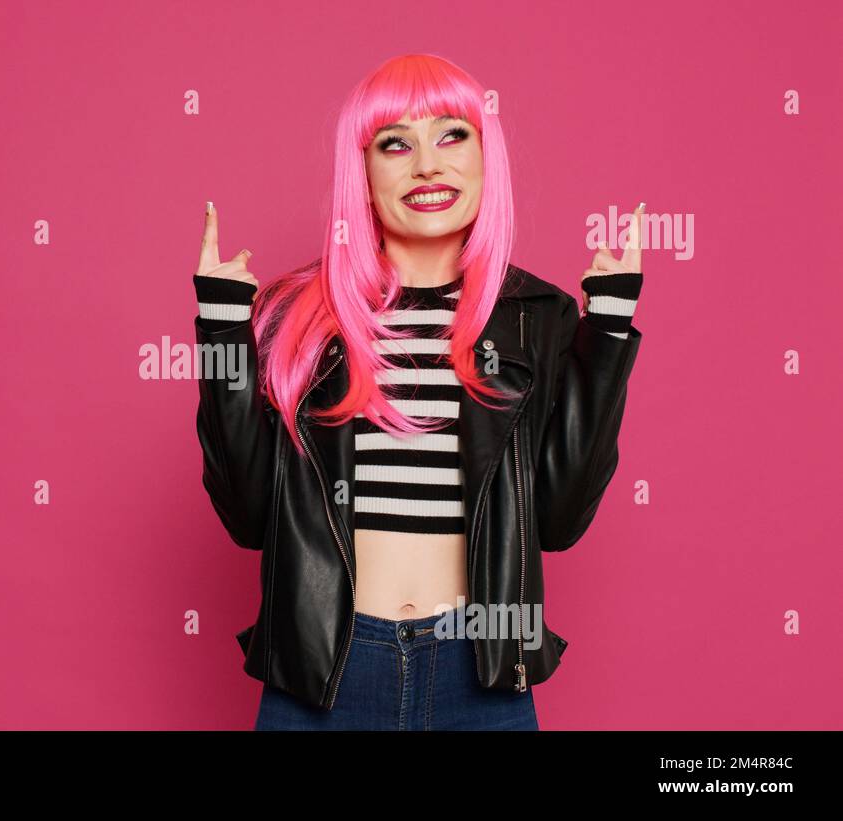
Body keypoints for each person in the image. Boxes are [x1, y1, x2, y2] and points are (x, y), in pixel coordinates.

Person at [191, 53, 644, 730]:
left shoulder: (536, 317)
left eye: (452, 135)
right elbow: (249, 516)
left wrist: (607, 329)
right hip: (325, 672)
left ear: (486, 156)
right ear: (363, 171)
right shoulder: (298, 314)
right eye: (395, 144)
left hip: (479, 676)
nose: (428, 165)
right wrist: (221, 325)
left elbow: (559, 521)